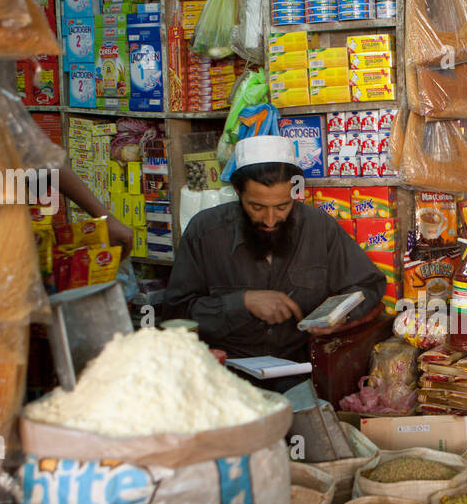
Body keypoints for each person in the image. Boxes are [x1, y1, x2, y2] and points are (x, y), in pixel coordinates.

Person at [162, 136, 386, 374]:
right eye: (256, 207)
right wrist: (242, 302)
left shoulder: (318, 227)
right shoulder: (205, 232)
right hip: (224, 372)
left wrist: (340, 315)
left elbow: (369, 284)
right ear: (238, 192)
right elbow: (175, 312)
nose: (270, 220)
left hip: (298, 368)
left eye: (282, 207)